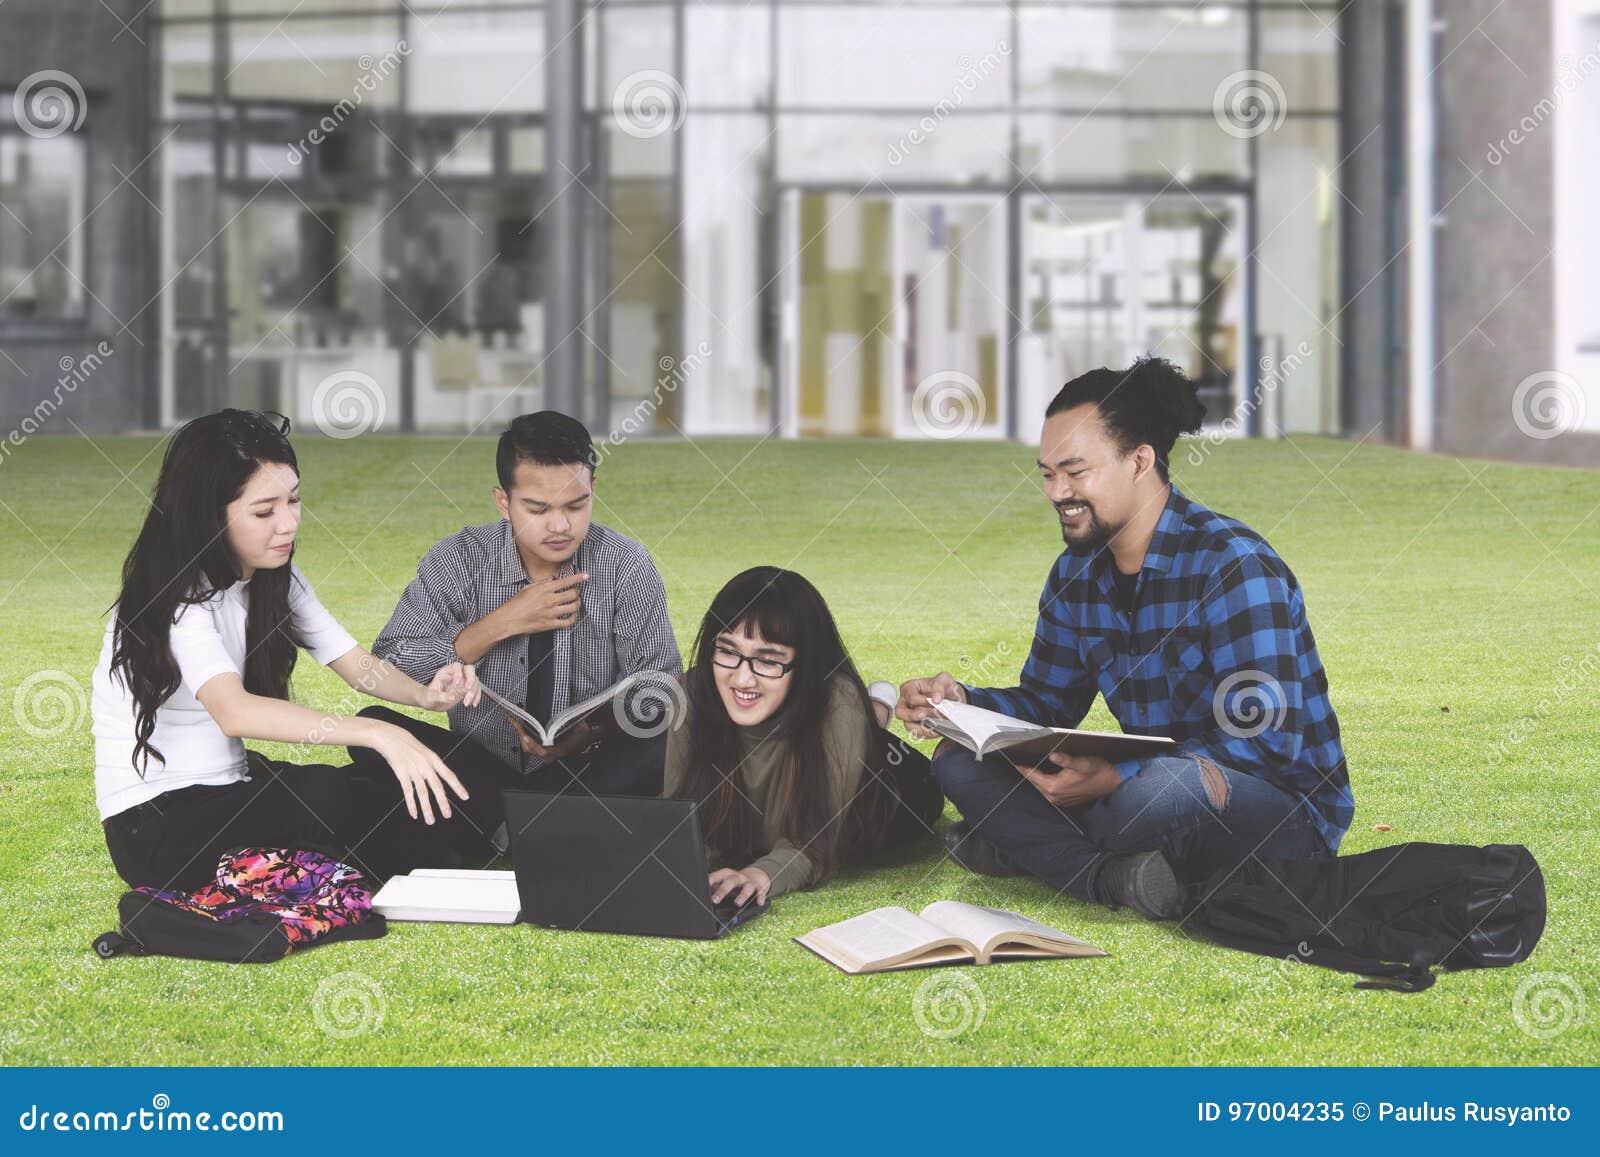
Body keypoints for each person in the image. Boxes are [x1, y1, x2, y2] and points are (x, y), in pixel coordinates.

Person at [897, 357, 1355, 920]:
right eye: (1045, 473)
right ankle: (1112, 877)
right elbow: (1045, 703)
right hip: (1143, 798)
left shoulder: (1234, 566)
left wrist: (1115, 776)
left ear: (1139, 461)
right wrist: (964, 706)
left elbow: (1266, 743)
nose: (1055, 491)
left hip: (1275, 813)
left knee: (1163, 789)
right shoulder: (1075, 574)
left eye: (1075, 471)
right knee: (956, 762)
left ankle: (1034, 849)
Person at [93, 410, 489, 892]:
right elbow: (233, 713)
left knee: (381, 794)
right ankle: (421, 852)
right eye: (265, 511)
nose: (288, 524)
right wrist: (377, 732)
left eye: (294, 501)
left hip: (229, 795)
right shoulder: (175, 598)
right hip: (158, 828)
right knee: (335, 799)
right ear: (207, 513)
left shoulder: (272, 576)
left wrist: (428, 695)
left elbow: (355, 664)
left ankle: (437, 845)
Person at [364, 411, 681, 861]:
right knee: (376, 724)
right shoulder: (459, 559)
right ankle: (544, 825)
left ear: (594, 491)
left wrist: (587, 734)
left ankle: (504, 825)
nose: (560, 527)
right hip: (481, 764)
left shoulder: (625, 565)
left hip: (585, 766)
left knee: (662, 744)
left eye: (576, 505)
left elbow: (660, 691)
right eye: (538, 509)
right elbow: (390, 661)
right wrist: (504, 622)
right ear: (503, 501)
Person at [664, 567, 944, 907]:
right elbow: (679, 817)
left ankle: (872, 713)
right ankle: (875, 708)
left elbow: (816, 843)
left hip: (885, 788)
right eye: (727, 651)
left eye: (768, 660)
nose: (741, 678)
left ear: (805, 666)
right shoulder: (692, 691)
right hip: (829, 732)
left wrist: (760, 874)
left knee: (858, 724)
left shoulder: (837, 705)